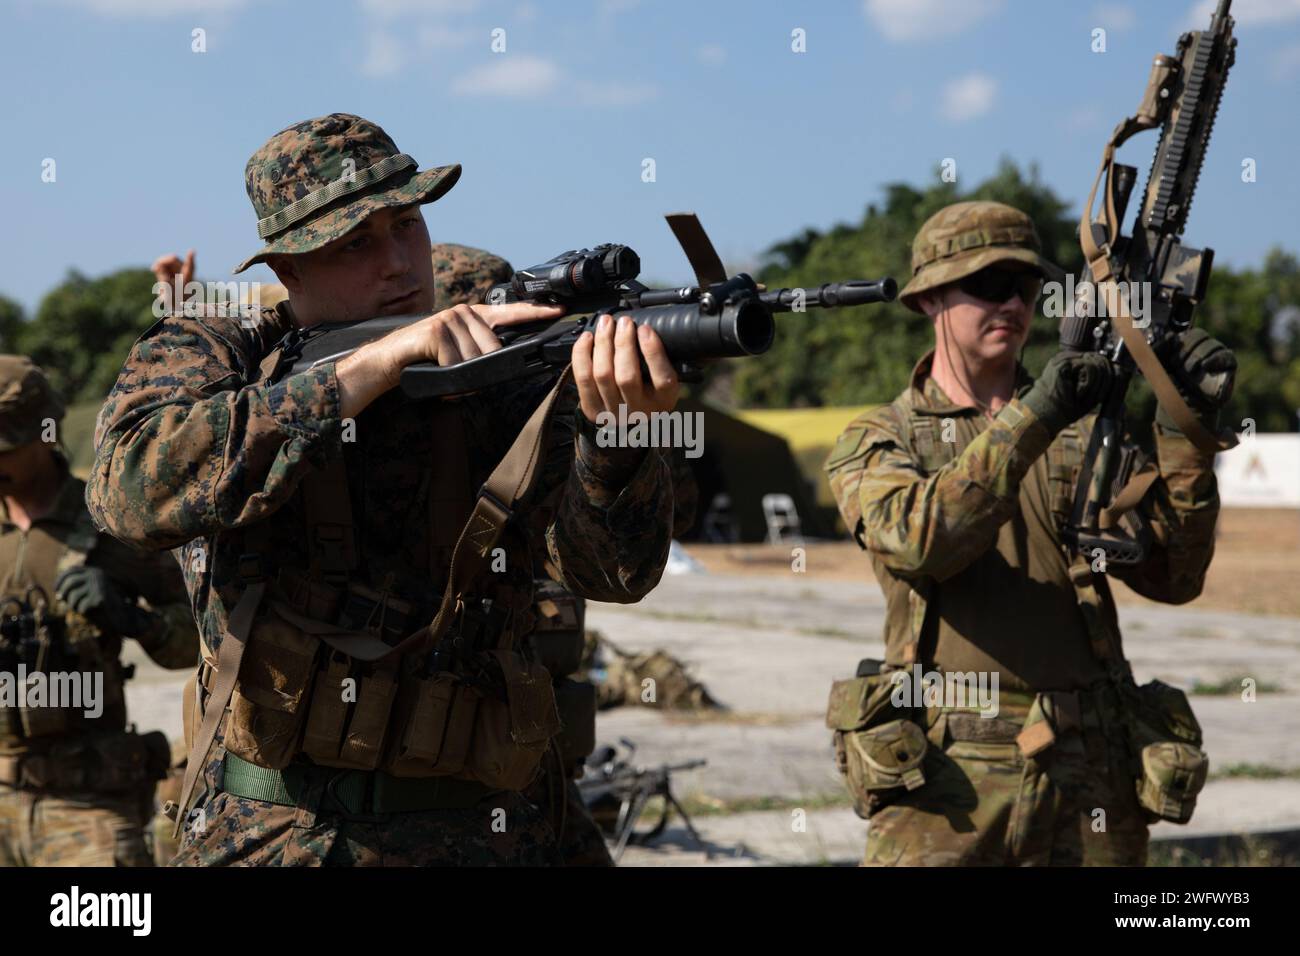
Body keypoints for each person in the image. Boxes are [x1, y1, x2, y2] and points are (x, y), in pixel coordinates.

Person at [87, 112, 679, 866]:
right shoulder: (219, 349)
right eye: (358, 243)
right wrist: (366, 372)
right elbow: (130, 494)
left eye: (408, 225)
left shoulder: (500, 370)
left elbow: (613, 572)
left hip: (495, 826)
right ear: (289, 270)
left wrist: (619, 440)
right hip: (286, 832)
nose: (400, 262)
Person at [824, 200, 1233, 866]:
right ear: (929, 298)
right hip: (950, 782)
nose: (1011, 303)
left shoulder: (1082, 435)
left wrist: (1183, 426)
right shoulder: (880, 439)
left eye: (1024, 287)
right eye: (987, 285)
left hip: (1091, 769)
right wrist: (1037, 412)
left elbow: (1174, 577)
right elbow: (922, 540)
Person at [0, 356, 197, 866]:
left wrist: (133, 619)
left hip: (88, 806)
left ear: (46, 434)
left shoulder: (111, 523)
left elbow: (198, 641)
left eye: (6, 447)